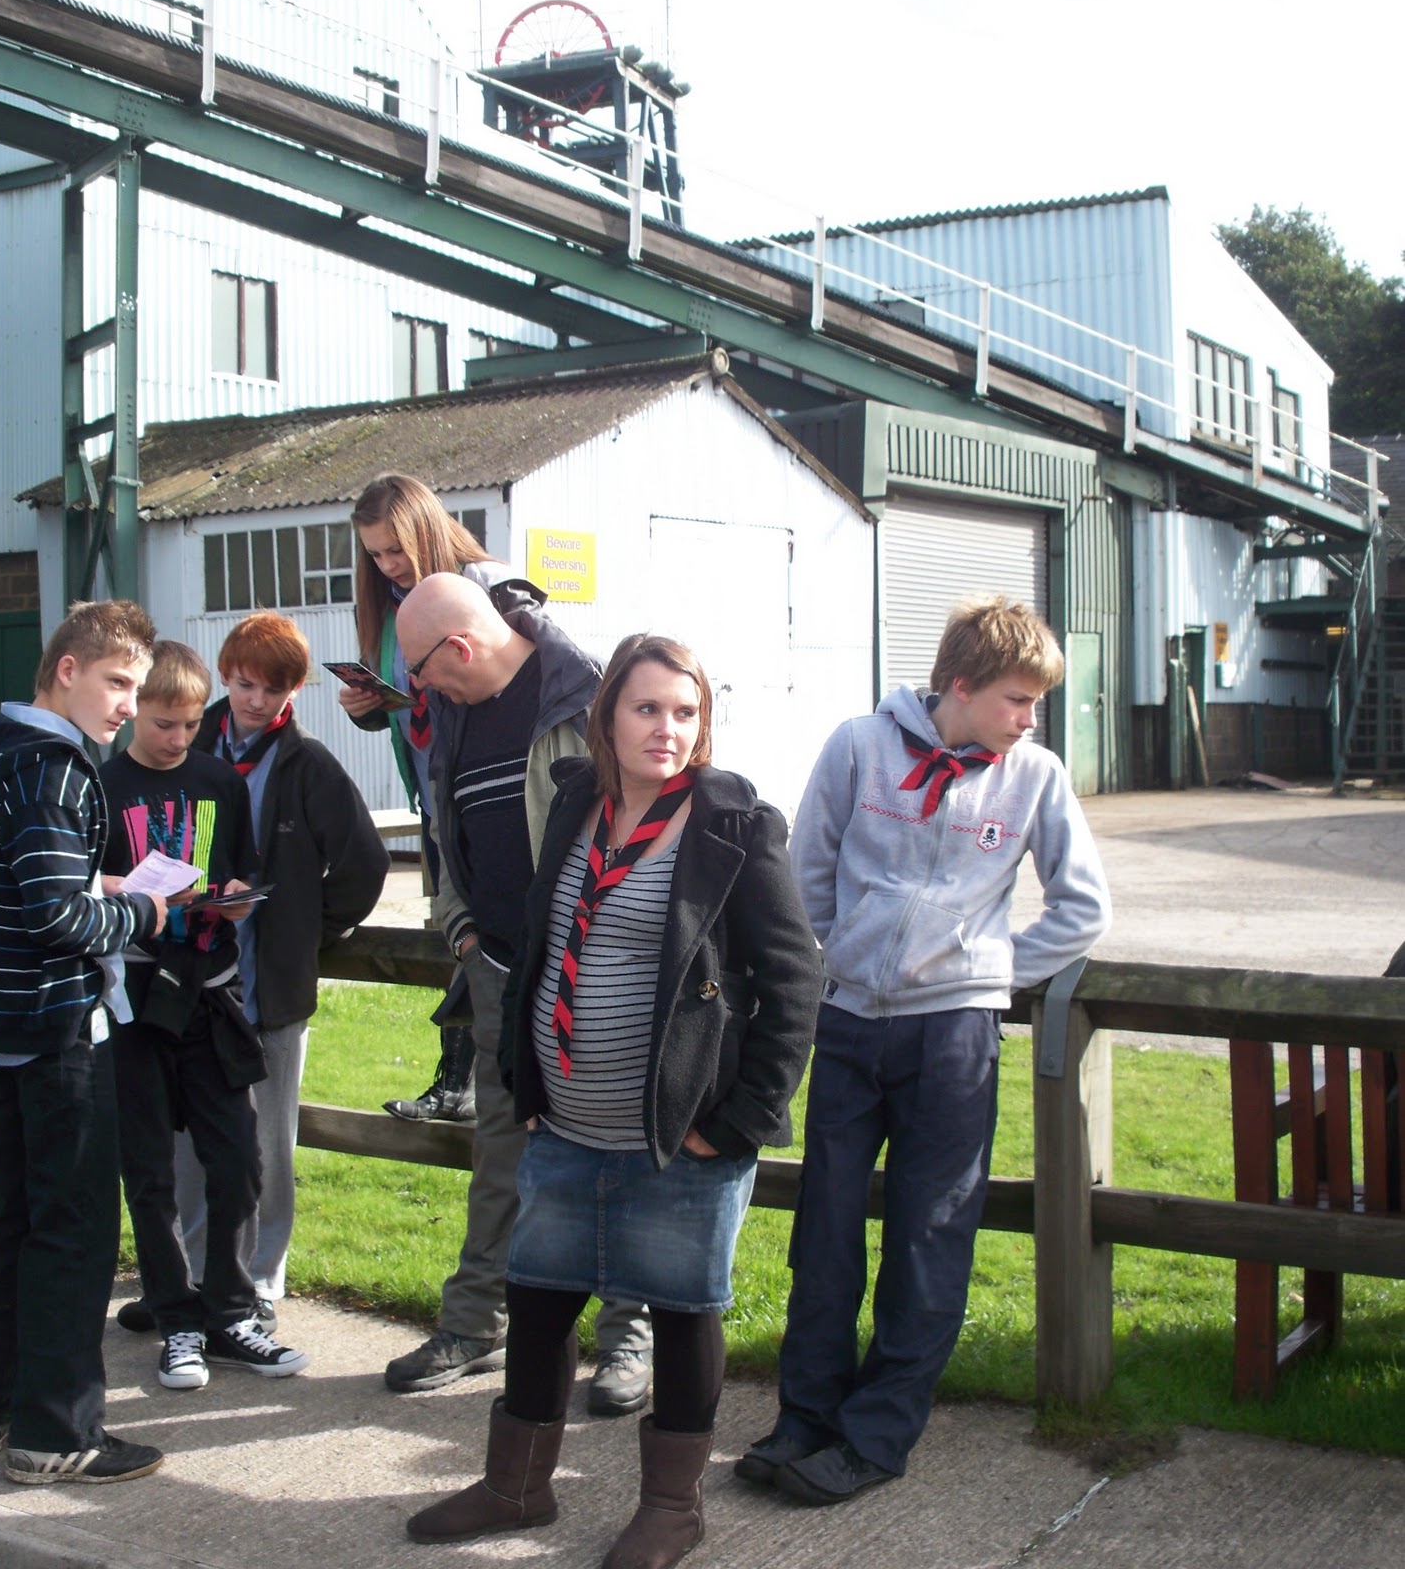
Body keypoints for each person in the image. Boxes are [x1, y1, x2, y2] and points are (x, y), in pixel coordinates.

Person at [406, 633, 821, 1567]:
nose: (668, 729)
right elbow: (543, 944)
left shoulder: (734, 822)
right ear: (606, 718)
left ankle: (672, 1510)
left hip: (681, 1139)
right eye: (647, 709)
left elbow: (796, 979)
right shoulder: (576, 805)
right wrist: (523, 1075)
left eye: (687, 712)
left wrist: (742, 1121)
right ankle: (517, 1487)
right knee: (540, 1301)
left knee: (682, 1313)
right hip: (563, 1123)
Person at [740, 595, 1111, 1507]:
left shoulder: (1035, 776)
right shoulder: (859, 747)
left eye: (1036, 705)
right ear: (960, 686)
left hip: (955, 1039)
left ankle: (876, 1436)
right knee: (824, 1224)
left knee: (929, 1235)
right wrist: (841, 967)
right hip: (852, 1023)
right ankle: (806, 1416)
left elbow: (1083, 905)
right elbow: (807, 876)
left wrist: (988, 971)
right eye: (1018, 700)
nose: (1031, 719)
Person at [385, 573, 654, 1414]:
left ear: (459, 648)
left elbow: (651, 810)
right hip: (499, 973)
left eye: (426, 670)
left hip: (599, 975)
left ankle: (627, 1340)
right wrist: (460, 930)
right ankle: (474, 1324)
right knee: (501, 1156)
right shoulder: (457, 714)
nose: (421, 690)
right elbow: (444, 832)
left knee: (619, 1153)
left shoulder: (592, 693)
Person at [0, 600, 171, 1484]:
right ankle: (56, 1435)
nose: (126, 705)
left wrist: (90, 875)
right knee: (73, 1230)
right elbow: (56, 916)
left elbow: (13, 877)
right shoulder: (57, 769)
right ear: (66, 669)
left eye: (136, 688)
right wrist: (142, 905)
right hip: (58, 1025)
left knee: (9, 1215)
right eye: (117, 683)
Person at [161, 611, 389, 1331]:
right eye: (243, 684)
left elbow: (363, 863)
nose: (255, 700)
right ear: (224, 676)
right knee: (189, 1138)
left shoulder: (307, 762)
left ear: (294, 690)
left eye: (273, 688)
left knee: (267, 1143)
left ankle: (260, 1274)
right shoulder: (189, 741)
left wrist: (304, 933)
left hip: (270, 991)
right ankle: (194, 1273)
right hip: (189, 983)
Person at [100, 641, 310, 1391]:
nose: (177, 739)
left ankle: (229, 1311)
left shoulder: (220, 780)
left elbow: (245, 871)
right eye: (163, 724)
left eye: (189, 725)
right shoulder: (103, 783)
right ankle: (175, 1318)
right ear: (132, 714)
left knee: (238, 1159)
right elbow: (83, 884)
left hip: (212, 992)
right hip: (134, 997)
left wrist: (228, 892)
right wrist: (124, 888)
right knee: (150, 1169)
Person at [340, 473, 537, 1124]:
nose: (387, 564)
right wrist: (368, 708)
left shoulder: (486, 586)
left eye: (394, 548)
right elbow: (410, 705)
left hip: (491, 796)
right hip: (435, 800)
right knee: (454, 931)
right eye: (374, 554)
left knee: (490, 935)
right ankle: (461, 1079)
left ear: (425, 530)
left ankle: (487, 1080)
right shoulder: (389, 605)